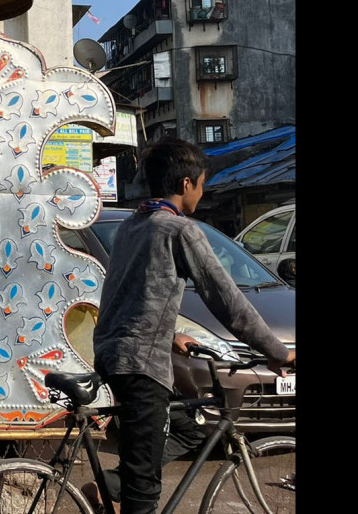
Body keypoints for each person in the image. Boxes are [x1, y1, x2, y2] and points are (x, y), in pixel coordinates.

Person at [91, 137, 294, 514]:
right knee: (144, 489)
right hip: (141, 366)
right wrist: (278, 352)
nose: (202, 193)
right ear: (187, 184)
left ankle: (109, 486)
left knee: (189, 428)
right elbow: (228, 302)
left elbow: (126, 295)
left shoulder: (132, 226)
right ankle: (122, 490)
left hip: (113, 355)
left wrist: (170, 334)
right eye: (201, 184)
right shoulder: (179, 230)